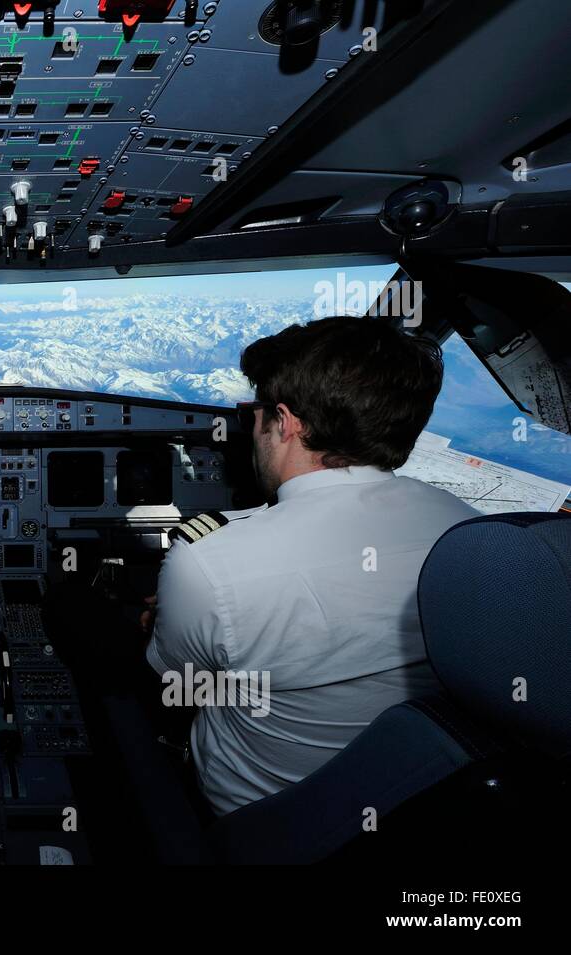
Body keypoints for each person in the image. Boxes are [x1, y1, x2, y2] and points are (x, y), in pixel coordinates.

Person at [144, 316, 478, 816]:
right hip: (414, 805)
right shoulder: (470, 530)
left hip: (256, 817)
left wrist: (166, 615)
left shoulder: (209, 564)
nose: (251, 426)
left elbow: (179, 679)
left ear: (287, 421)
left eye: (252, 413)